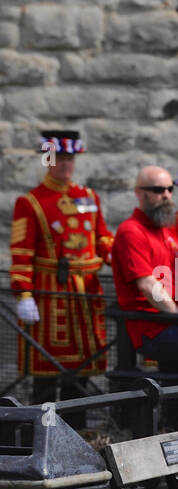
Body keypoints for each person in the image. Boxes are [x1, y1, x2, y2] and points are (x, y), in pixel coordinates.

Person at [9, 129, 114, 412]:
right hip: (50, 293)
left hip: (87, 293)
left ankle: (78, 435)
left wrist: (114, 252)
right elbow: (21, 253)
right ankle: (37, 434)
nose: (66, 164)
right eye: (60, 158)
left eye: (71, 158)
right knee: (47, 373)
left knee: (80, 374)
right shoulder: (30, 202)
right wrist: (23, 293)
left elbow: (102, 236)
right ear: (48, 160)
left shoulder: (88, 196)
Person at [112, 165, 178, 425]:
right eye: (159, 190)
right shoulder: (131, 231)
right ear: (140, 193)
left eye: (170, 189)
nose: (167, 195)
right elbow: (148, 286)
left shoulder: (166, 232)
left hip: (169, 323)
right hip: (150, 327)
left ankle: (177, 429)